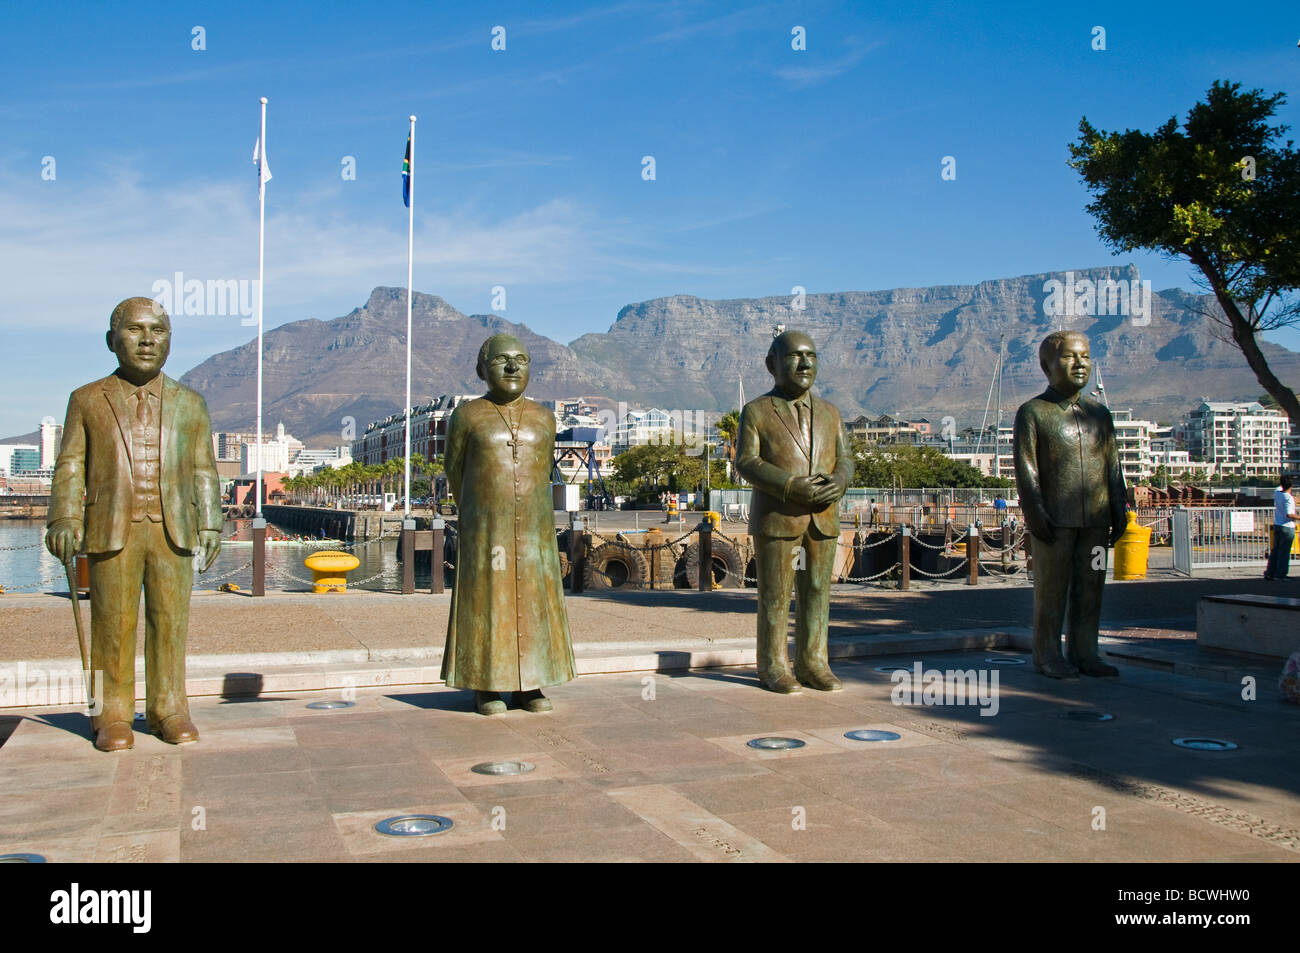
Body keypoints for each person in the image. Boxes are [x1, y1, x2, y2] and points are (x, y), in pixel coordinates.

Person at [45, 297, 221, 751]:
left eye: (157, 331)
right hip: (111, 527)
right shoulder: (86, 400)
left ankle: (169, 708)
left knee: (170, 623)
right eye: (135, 330)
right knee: (113, 623)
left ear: (169, 341)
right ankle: (113, 713)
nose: (147, 340)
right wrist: (64, 517)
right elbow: (69, 466)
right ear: (111, 339)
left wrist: (212, 523)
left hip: (173, 529)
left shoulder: (190, 402)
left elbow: (204, 467)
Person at [440, 334, 576, 715]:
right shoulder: (466, 416)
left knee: (536, 601)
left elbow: (546, 470)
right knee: (488, 601)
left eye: (522, 359)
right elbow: (454, 471)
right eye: (502, 360)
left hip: (536, 529)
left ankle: (531, 682)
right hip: (487, 528)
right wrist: (479, 511)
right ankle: (487, 684)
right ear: (482, 369)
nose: (514, 367)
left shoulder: (545, 417)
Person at [737, 330, 854, 693]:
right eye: (795, 356)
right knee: (775, 595)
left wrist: (840, 481)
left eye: (812, 356)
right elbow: (746, 461)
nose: (805, 363)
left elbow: (846, 458)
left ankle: (814, 662)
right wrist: (789, 485)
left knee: (818, 590)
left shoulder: (831, 413)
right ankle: (773, 665)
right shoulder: (756, 411)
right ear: (773, 364)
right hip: (778, 519)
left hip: (823, 517)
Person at [1014, 331, 1127, 679]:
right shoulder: (1033, 412)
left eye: (1086, 356)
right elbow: (1026, 467)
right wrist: (1035, 512)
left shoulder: (1100, 415)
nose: (1080, 364)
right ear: (1046, 365)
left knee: (1091, 586)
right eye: (1069, 357)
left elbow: (1113, 465)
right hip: (1055, 522)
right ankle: (1047, 653)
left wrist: (1119, 507)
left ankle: (1085, 651)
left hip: (1095, 521)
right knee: (1052, 590)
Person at [1264, 474, 1296, 580]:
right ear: (1291, 485)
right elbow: (1289, 514)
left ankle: (1270, 572)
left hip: (1277, 525)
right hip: (1287, 526)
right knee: (1284, 552)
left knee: (1275, 551)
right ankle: (1280, 574)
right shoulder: (1289, 498)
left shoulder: (1277, 493)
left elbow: (1279, 487)